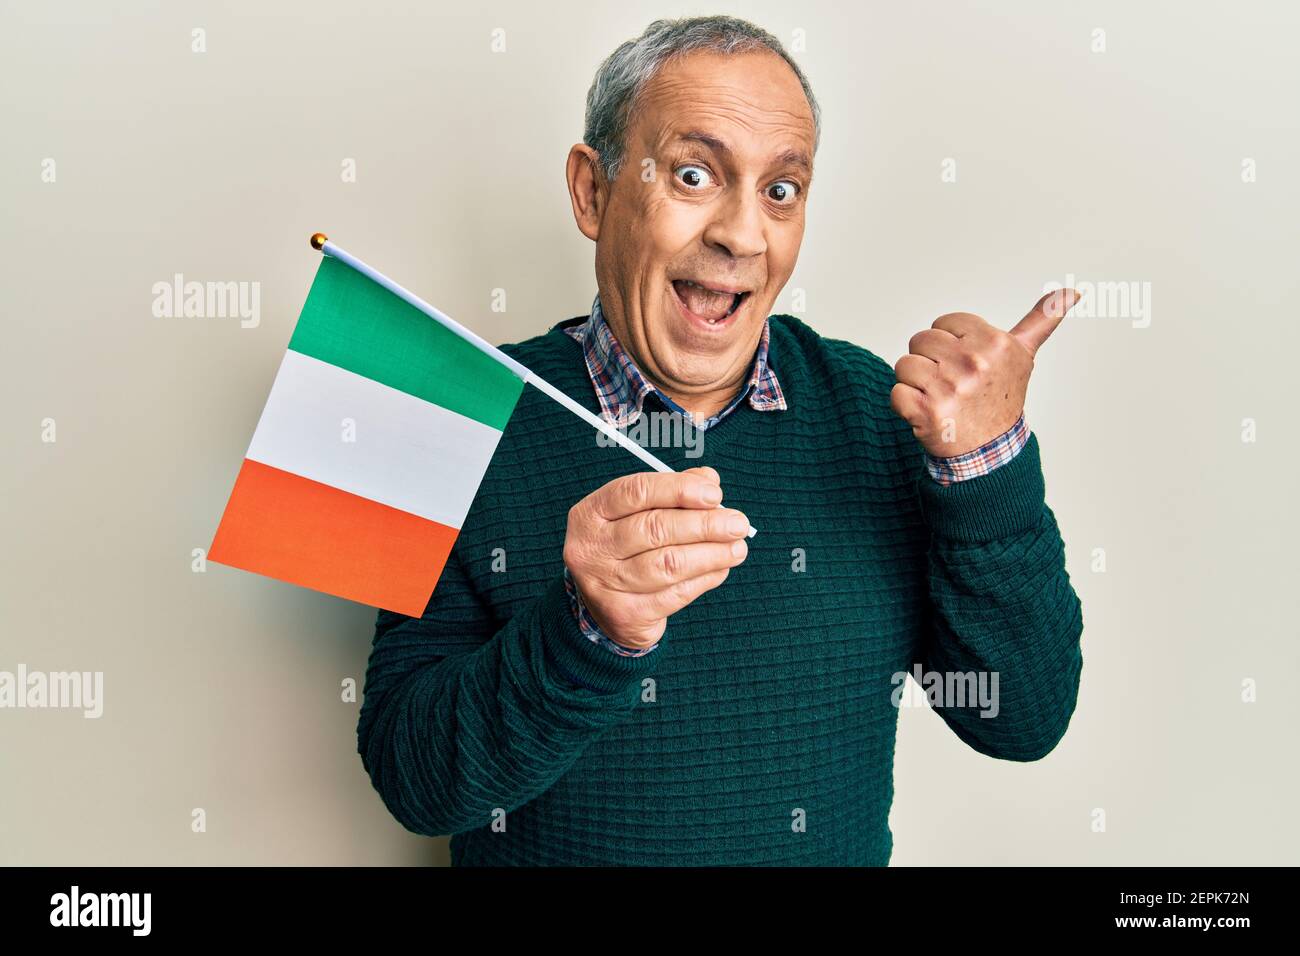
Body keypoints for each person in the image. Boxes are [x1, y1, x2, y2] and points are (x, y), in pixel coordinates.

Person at [356, 14, 1084, 866]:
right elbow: (415, 784)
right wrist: (586, 633)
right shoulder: (461, 413)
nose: (742, 234)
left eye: (781, 190)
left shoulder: (878, 415)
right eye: (695, 174)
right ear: (594, 193)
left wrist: (985, 474)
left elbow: (1020, 720)